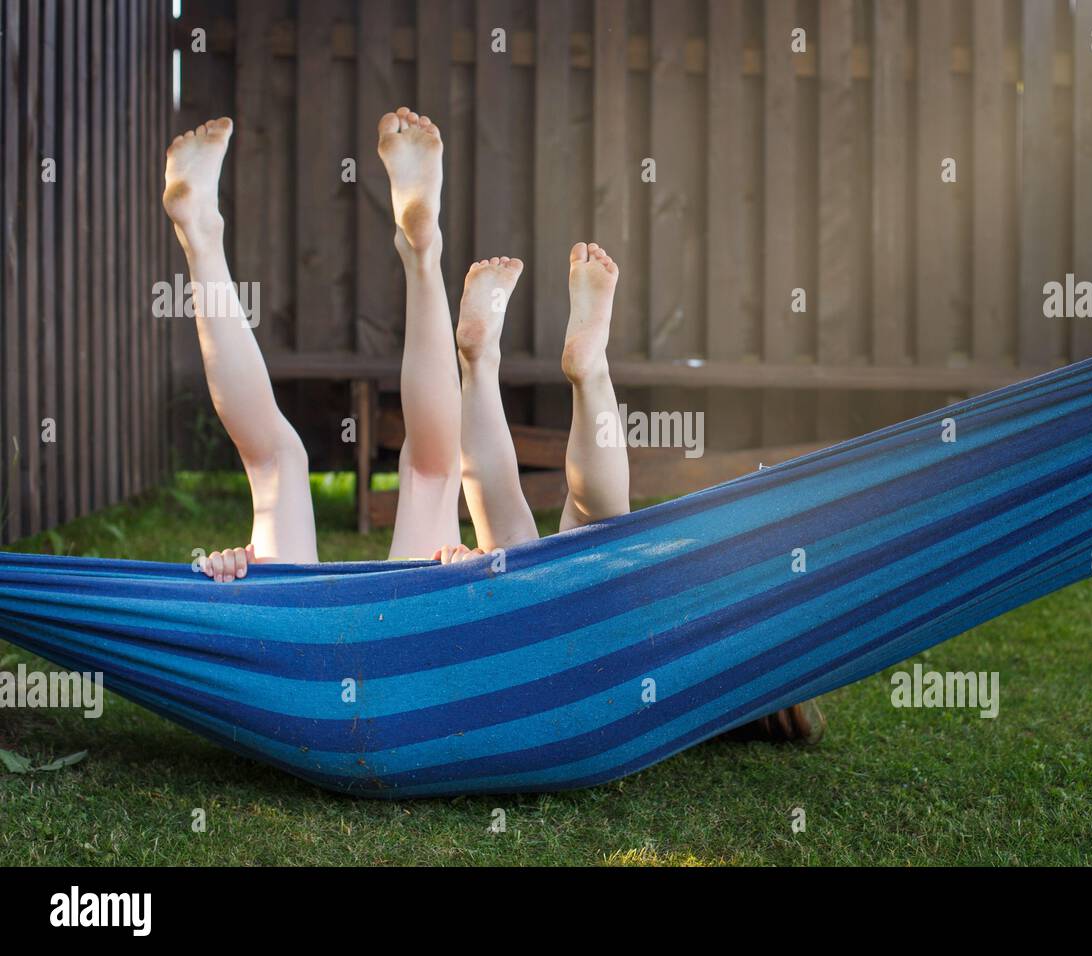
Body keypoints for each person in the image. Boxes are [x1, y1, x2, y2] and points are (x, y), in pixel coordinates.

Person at [163, 109, 823, 745]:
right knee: (310, 465)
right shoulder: (639, 696)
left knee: (566, 525)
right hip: (340, 664)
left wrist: (226, 571)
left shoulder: (629, 653)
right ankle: (211, 238)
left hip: (354, 657)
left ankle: (486, 324)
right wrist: (478, 575)